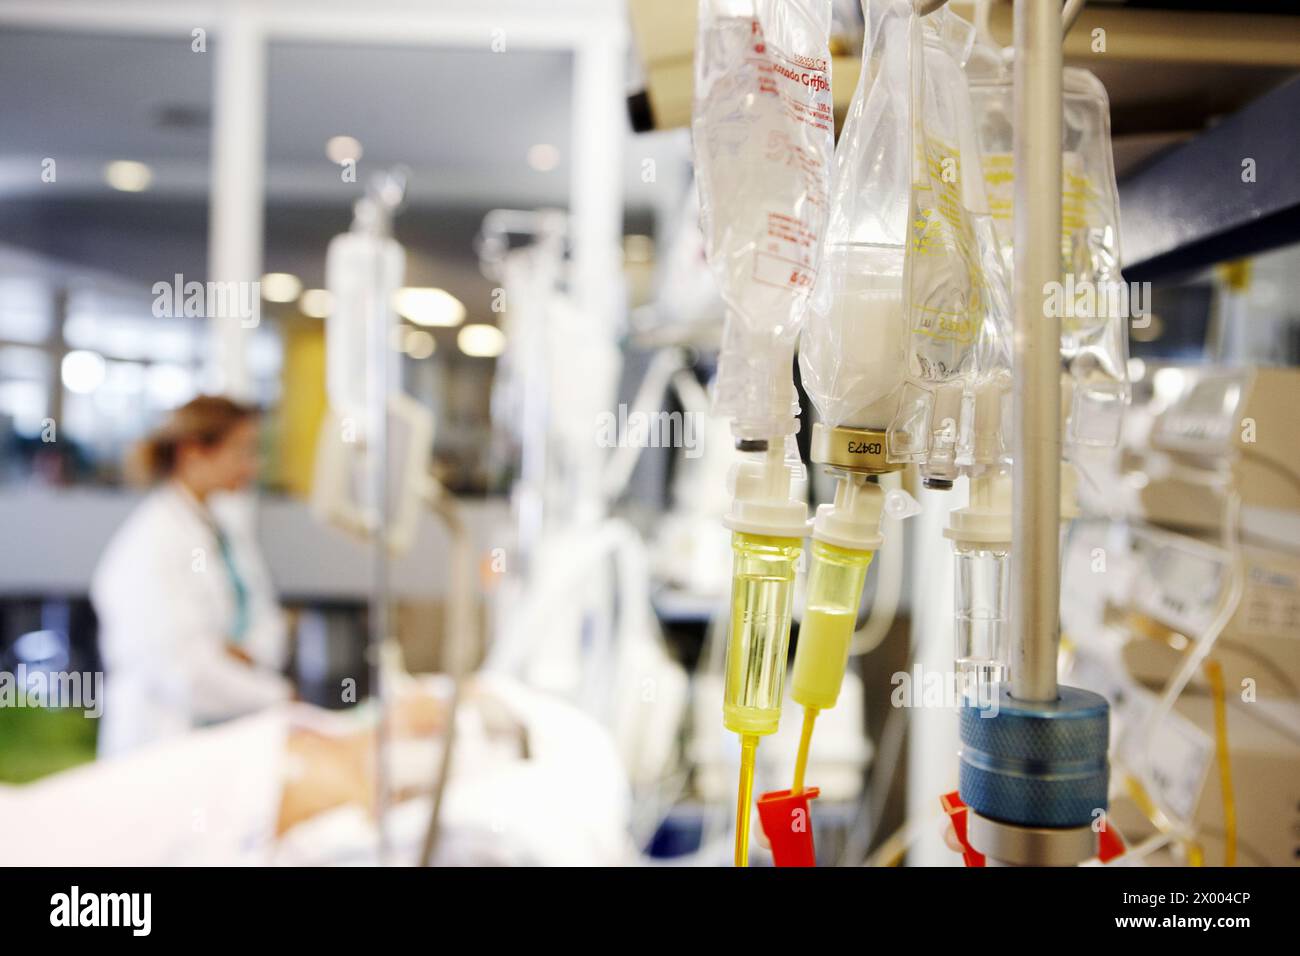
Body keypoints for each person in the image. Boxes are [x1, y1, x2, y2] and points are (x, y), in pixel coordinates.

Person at [91, 395, 292, 756]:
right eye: (243, 451)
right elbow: (185, 673)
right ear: (193, 453)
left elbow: (266, 620)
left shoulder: (222, 529)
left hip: (227, 729)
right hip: (161, 738)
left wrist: (239, 653)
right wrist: (277, 695)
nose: (253, 466)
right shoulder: (151, 543)